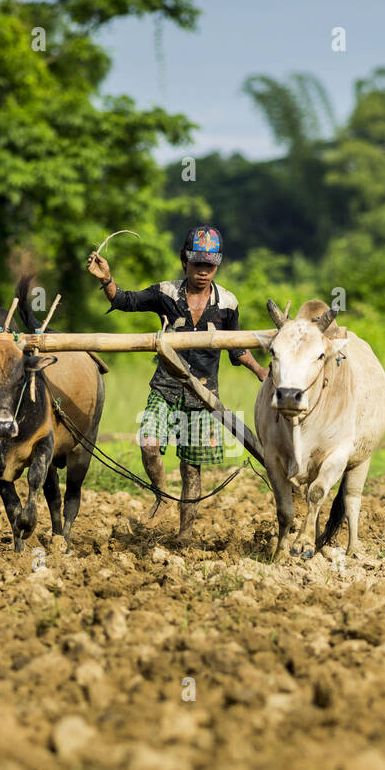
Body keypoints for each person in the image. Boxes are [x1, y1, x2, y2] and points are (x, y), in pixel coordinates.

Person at [87, 225, 268, 541]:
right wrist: (106, 280)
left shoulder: (227, 303)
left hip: (203, 394)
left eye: (209, 266)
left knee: (191, 468)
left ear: (217, 266)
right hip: (166, 387)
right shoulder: (166, 293)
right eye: (197, 264)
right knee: (148, 444)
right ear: (185, 261)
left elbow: (235, 348)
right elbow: (126, 300)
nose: (203, 272)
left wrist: (260, 371)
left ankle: (184, 533)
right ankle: (160, 495)